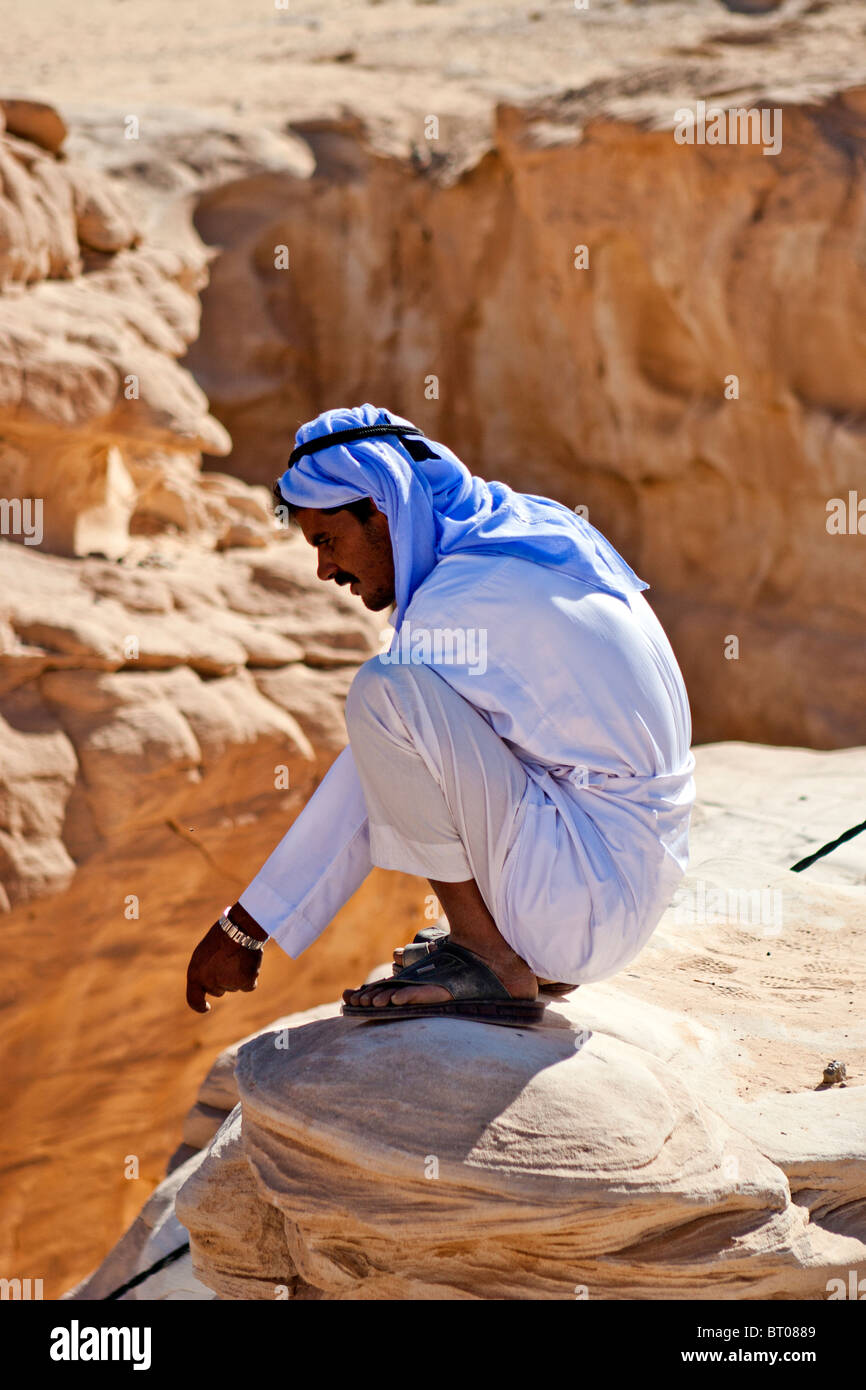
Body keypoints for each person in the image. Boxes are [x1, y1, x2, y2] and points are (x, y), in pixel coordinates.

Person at [186, 404, 695, 1025]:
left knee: (385, 690)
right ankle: (517, 951)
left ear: (380, 508)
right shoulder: (521, 536)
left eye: (326, 539)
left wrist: (245, 928)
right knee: (411, 697)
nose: (323, 570)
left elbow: (367, 774)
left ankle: (487, 957)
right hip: (619, 885)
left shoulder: (455, 602)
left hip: (580, 900)